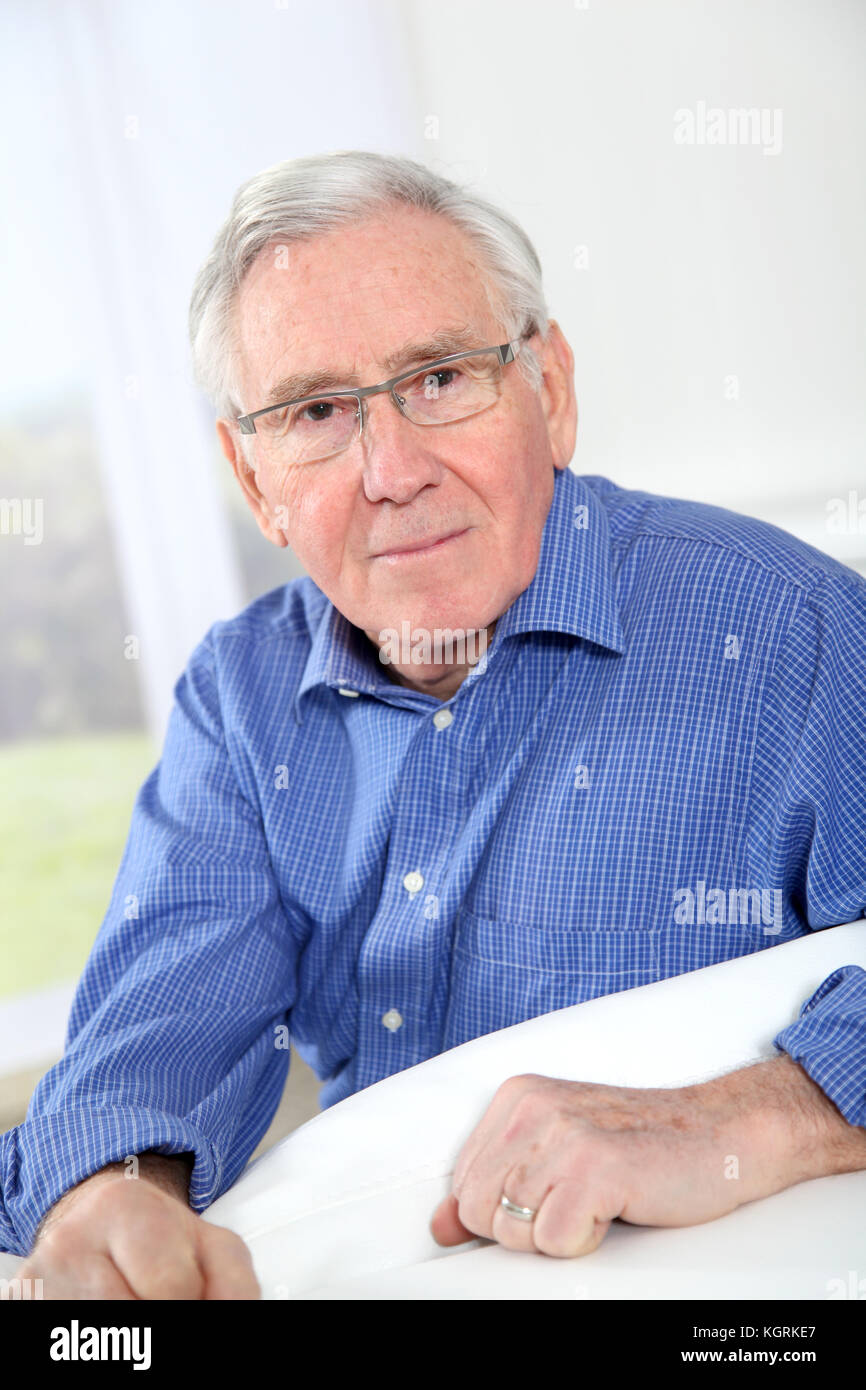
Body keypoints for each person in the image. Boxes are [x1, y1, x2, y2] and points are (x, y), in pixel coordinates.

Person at [2, 151, 865, 1300]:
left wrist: (748, 1116)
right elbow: (161, 1015)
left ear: (547, 390)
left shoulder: (790, 627)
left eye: (441, 377)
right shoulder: (237, 696)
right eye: (314, 410)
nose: (392, 471)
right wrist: (110, 1189)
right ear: (253, 478)